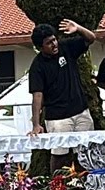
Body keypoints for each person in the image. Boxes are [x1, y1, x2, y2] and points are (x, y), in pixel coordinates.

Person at [28, 19, 98, 172]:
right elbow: (37, 96)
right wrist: (35, 124)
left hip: (81, 112)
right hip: (57, 118)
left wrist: (78, 27)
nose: (54, 44)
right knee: (60, 156)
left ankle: (85, 186)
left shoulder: (66, 47)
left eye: (54, 39)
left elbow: (91, 38)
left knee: (85, 153)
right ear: (40, 47)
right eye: (49, 43)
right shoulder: (37, 66)